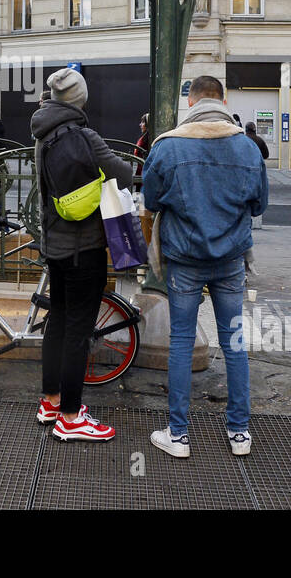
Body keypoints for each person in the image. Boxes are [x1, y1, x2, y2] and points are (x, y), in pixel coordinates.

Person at [141, 75, 268, 459]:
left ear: (192, 102)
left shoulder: (167, 146)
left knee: (180, 341)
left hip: (184, 259)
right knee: (234, 342)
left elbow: (152, 199)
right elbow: (259, 206)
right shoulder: (247, 148)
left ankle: (178, 436)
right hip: (230, 259)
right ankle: (239, 432)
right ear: (223, 101)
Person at [30, 68, 133, 442]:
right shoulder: (85, 137)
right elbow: (124, 173)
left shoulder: (42, 136)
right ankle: (71, 417)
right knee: (77, 330)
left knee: (57, 323)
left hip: (54, 247)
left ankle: (52, 401)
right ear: (80, 100)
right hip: (84, 248)